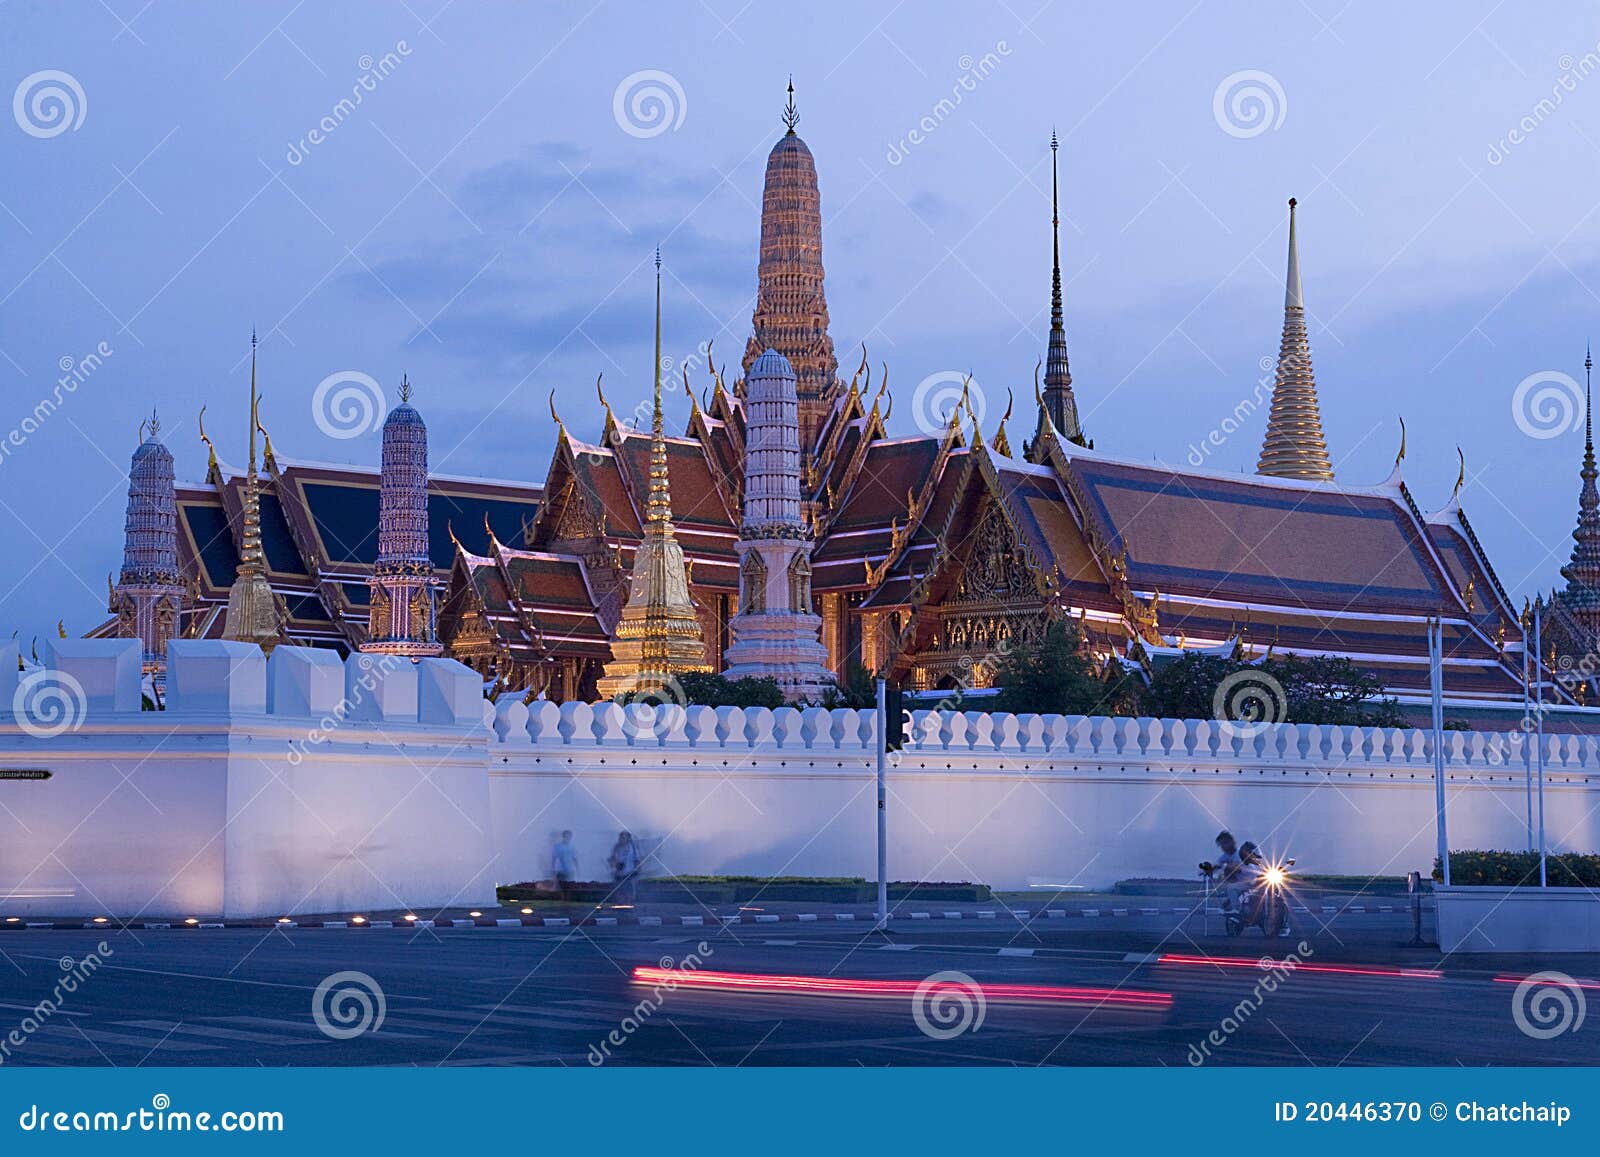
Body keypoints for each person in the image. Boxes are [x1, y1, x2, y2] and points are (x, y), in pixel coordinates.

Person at [607, 830, 641, 904]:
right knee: (619, 889)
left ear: (628, 838)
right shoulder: (616, 847)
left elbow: (637, 860)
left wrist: (638, 869)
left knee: (629, 889)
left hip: (630, 872)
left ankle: (630, 902)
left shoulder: (633, 847)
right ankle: (620, 903)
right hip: (619, 873)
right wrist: (614, 864)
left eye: (623, 837)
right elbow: (612, 858)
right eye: (620, 837)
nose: (621, 839)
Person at [552, 830, 578, 901]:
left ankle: (568, 901)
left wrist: (577, 868)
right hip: (560, 870)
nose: (567, 838)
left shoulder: (572, 847)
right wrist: (553, 868)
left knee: (569, 887)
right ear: (563, 837)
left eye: (569, 837)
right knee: (561, 887)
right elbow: (554, 858)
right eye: (566, 836)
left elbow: (575, 859)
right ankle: (563, 900)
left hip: (570, 870)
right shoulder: (557, 846)